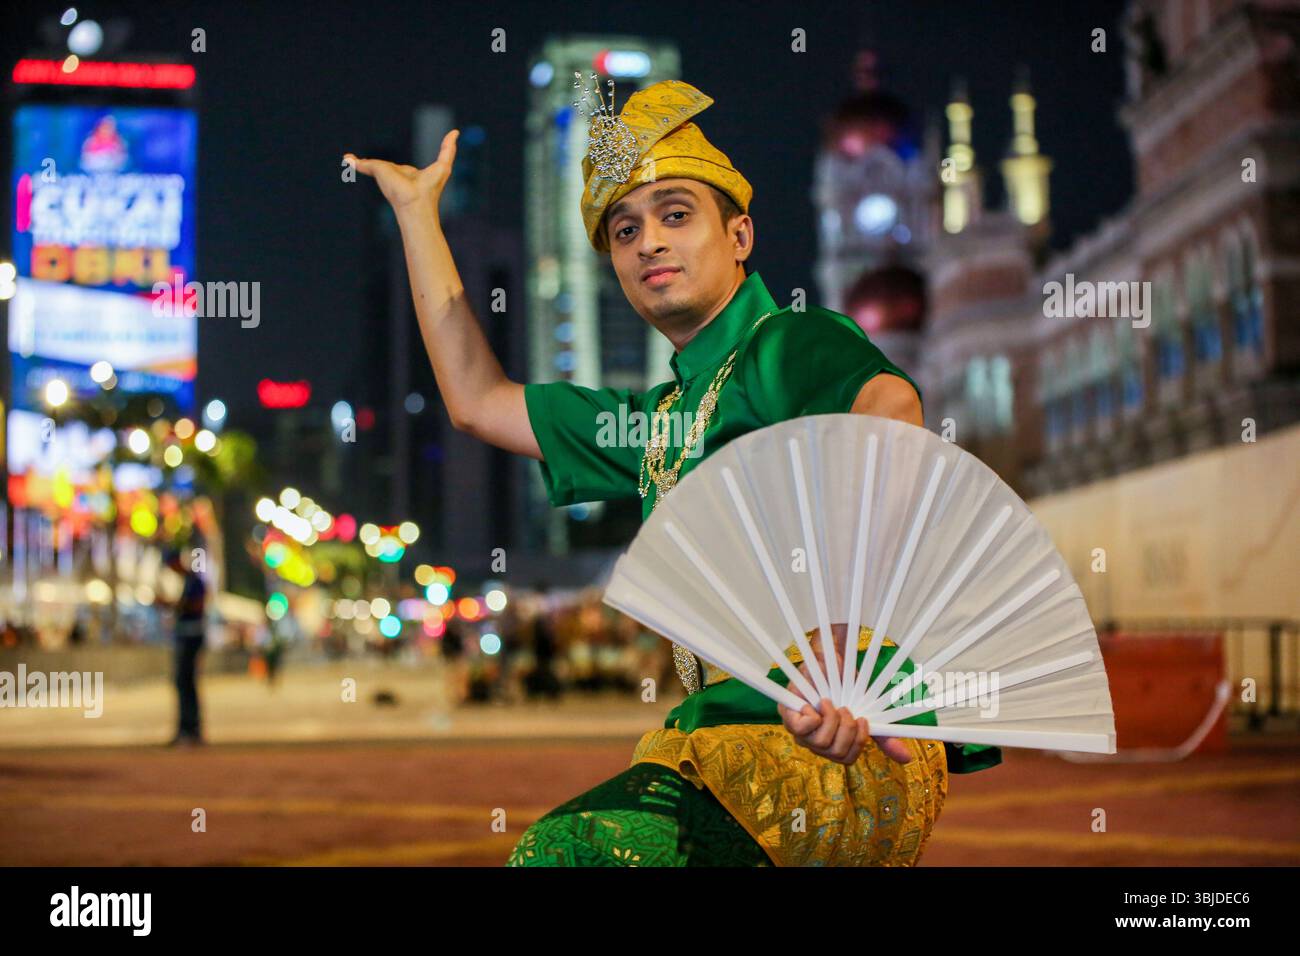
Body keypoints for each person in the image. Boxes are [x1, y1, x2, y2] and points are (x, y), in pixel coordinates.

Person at [346, 78, 1000, 867]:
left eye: (675, 215)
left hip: (835, 749)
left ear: (741, 236)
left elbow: (891, 410)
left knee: (568, 854)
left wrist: (839, 628)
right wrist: (419, 217)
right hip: (738, 739)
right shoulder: (660, 424)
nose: (647, 241)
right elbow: (481, 402)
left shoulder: (782, 344)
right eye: (624, 230)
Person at [163, 548, 207, 747]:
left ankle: (191, 729)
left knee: (186, 681)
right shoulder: (188, 582)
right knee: (184, 683)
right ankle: (187, 728)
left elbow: (197, 606)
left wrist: (174, 605)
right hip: (186, 635)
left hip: (192, 636)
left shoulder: (194, 581)